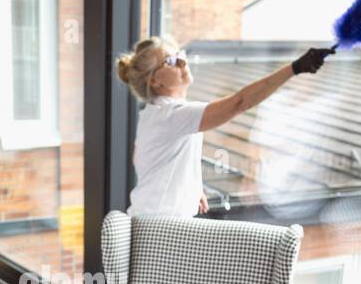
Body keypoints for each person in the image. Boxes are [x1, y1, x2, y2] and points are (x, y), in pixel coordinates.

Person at [115, 37, 333, 217]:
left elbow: (145, 156)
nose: (182, 62)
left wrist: (193, 186)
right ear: (155, 81)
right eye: (171, 61)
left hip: (151, 221)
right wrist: (294, 68)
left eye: (180, 54)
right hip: (159, 230)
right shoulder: (172, 115)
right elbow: (240, 102)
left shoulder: (154, 114)